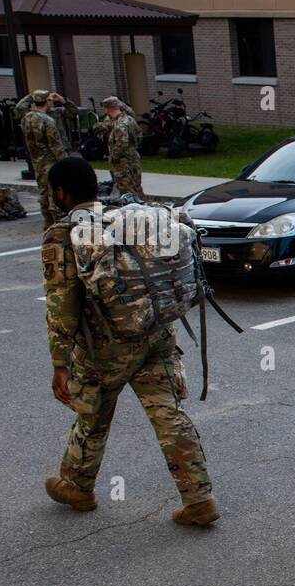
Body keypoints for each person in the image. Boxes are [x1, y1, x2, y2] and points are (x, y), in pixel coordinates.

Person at [41, 155, 218, 526]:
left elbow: (62, 305)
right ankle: (199, 499)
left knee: (93, 415)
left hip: (108, 345)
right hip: (156, 331)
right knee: (169, 414)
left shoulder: (64, 233)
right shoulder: (124, 218)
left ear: (61, 192)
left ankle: (76, 485)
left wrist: (60, 363)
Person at [16, 89, 75, 228]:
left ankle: (49, 221)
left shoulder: (30, 118)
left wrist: (63, 100)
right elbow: (55, 145)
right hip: (51, 159)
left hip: (39, 159)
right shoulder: (46, 120)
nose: (50, 102)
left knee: (44, 191)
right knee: (53, 191)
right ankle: (56, 221)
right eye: (47, 99)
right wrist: (65, 164)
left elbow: (73, 112)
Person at [101, 96, 145, 200]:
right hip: (133, 159)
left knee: (127, 192)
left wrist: (113, 157)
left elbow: (121, 145)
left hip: (123, 164)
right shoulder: (129, 119)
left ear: (107, 109)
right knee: (137, 188)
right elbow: (139, 136)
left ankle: (134, 212)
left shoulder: (120, 125)